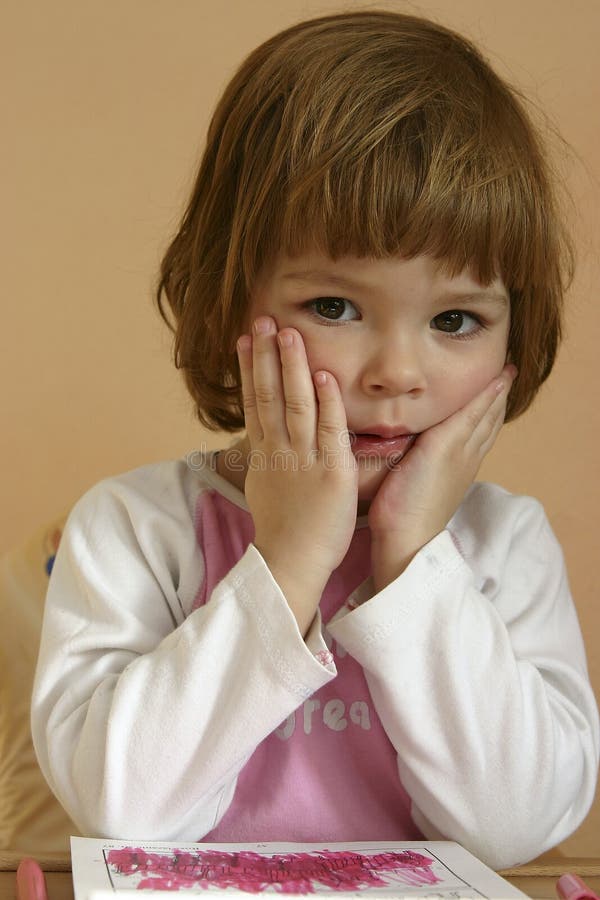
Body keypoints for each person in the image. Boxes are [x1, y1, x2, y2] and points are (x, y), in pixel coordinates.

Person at [31, 10, 599, 870]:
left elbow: (518, 826)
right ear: (229, 297)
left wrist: (413, 558)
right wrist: (292, 559)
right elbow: (126, 810)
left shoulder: (500, 545)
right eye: (335, 307)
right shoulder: (135, 528)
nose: (398, 372)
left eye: (456, 319)